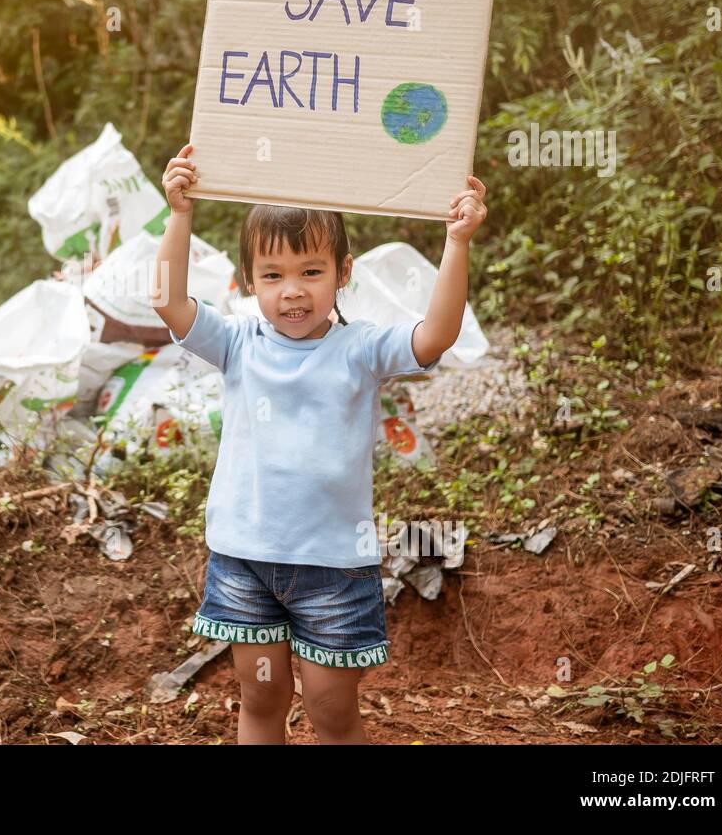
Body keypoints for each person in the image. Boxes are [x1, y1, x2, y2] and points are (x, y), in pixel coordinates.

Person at [153, 142, 487, 744]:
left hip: (333, 566)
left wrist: (457, 241)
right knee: (261, 696)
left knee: (332, 710)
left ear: (344, 272)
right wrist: (180, 213)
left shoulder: (360, 348)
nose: (293, 292)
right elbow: (170, 303)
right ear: (249, 281)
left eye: (311, 271)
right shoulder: (237, 342)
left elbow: (435, 336)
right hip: (245, 558)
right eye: (273, 276)